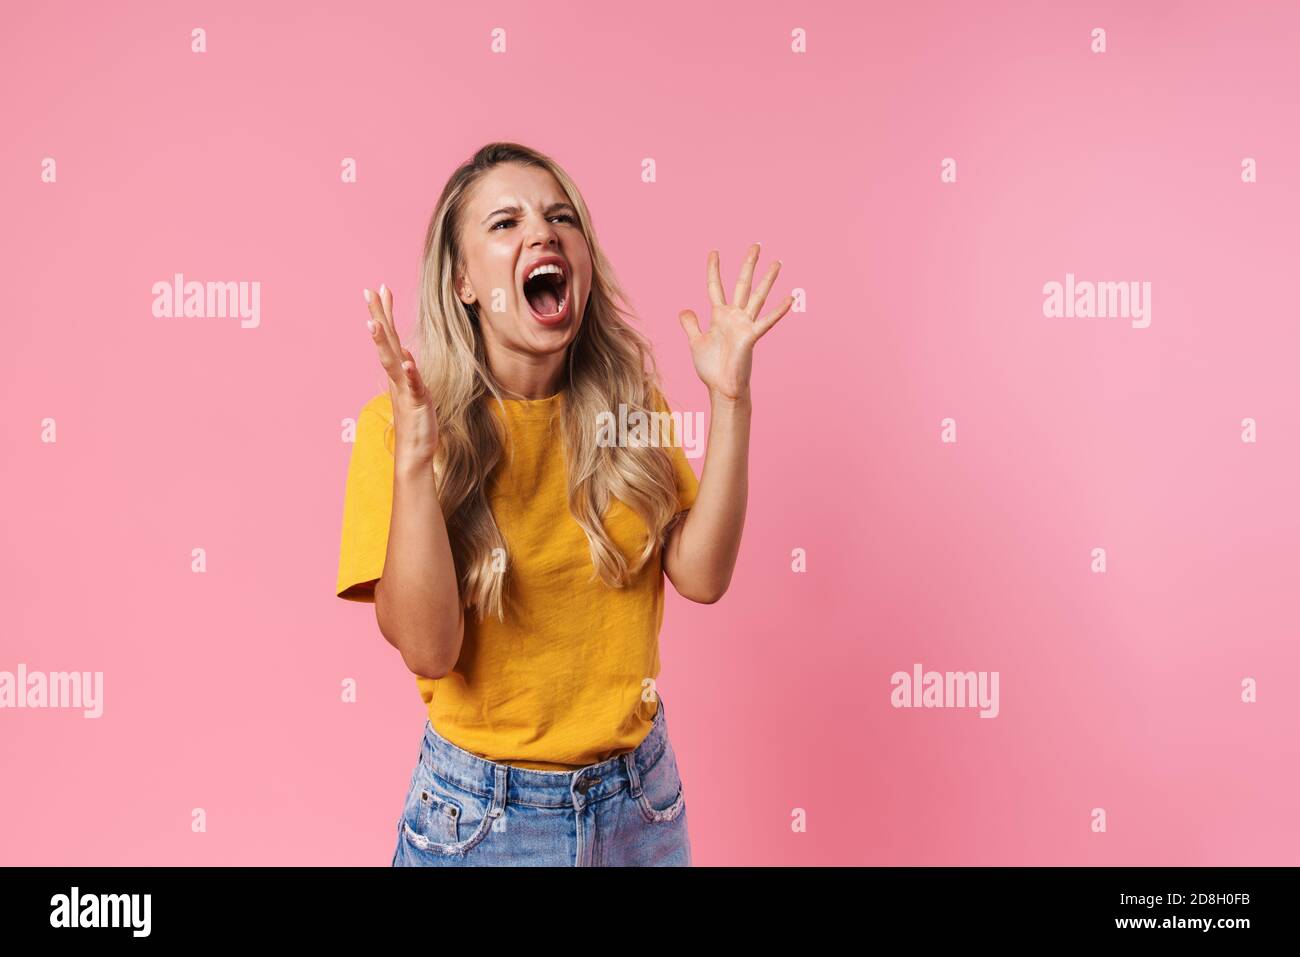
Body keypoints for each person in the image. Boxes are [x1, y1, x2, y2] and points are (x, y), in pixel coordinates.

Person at [335, 142, 792, 866]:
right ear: (462, 283)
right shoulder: (397, 426)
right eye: (505, 223)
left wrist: (729, 402)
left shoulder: (626, 406)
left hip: (641, 803)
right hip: (483, 822)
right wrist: (418, 462)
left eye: (559, 217)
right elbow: (429, 648)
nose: (542, 234)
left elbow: (703, 576)